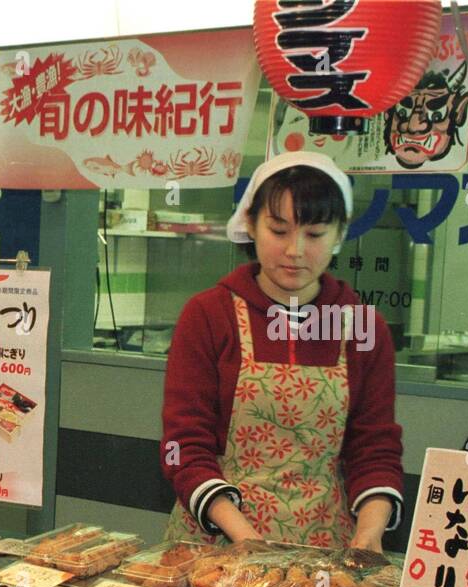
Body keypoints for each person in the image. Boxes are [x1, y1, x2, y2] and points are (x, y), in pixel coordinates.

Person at [161, 151, 404, 552]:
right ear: (251, 225)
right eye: (278, 230)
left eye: (314, 234)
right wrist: (246, 538)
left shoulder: (362, 325)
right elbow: (182, 446)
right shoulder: (209, 314)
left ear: (340, 235)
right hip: (216, 539)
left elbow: (375, 446)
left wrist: (369, 534)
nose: (294, 250)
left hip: (325, 546)